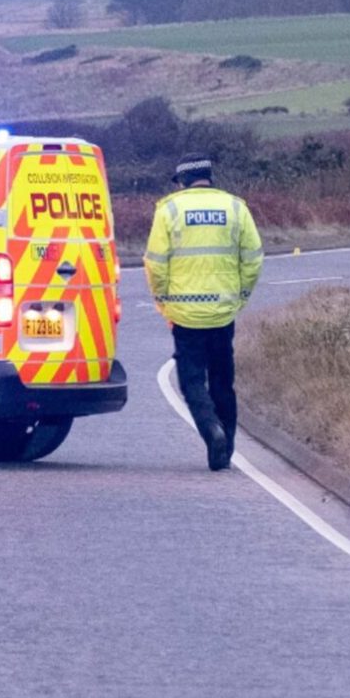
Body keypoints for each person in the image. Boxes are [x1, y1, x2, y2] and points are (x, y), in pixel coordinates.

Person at [144, 157, 263, 470]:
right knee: (223, 381)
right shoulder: (236, 207)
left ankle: (211, 430)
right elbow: (253, 259)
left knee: (192, 381)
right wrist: (241, 297)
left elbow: (155, 264)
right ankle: (226, 449)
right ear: (209, 177)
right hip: (223, 312)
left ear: (182, 181)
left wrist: (163, 303)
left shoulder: (168, 210)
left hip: (185, 314)